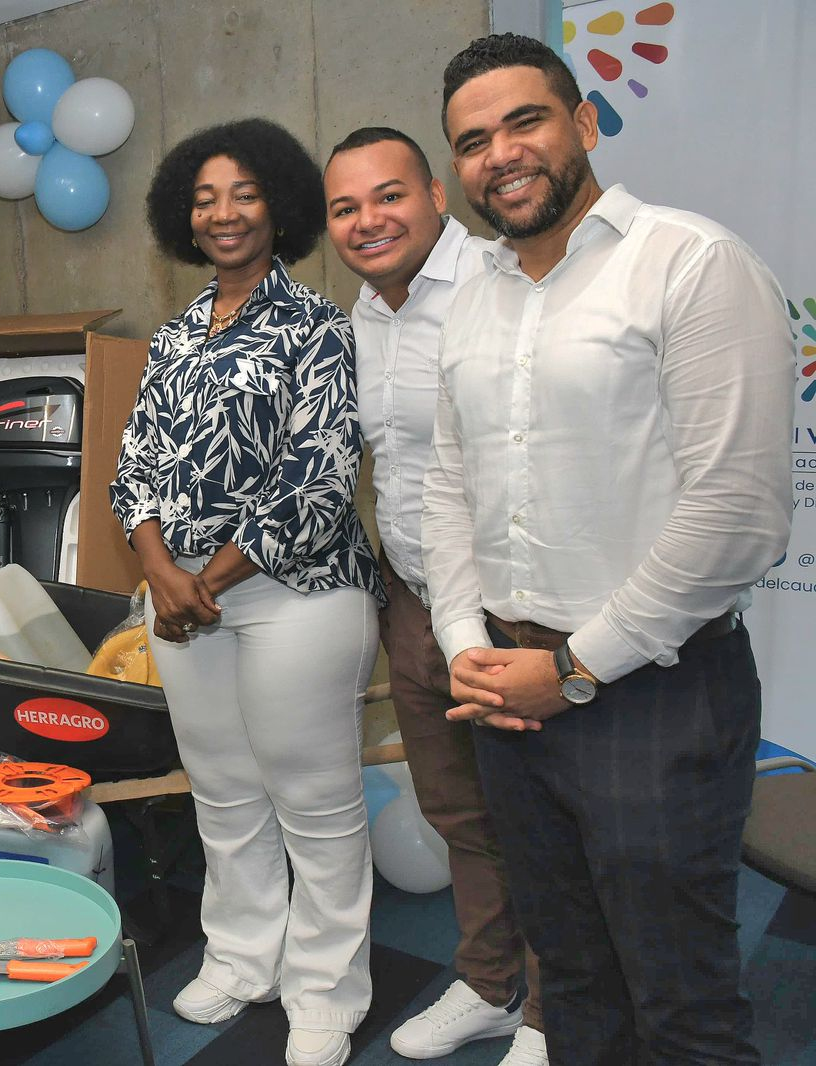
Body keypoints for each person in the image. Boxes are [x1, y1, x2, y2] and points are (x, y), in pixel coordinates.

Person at [425, 33, 792, 1065]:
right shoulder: (472, 302)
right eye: (472, 140)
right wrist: (463, 639)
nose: (501, 152)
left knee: (680, 1004)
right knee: (573, 984)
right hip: (505, 694)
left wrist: (575, 671)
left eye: (523, 121)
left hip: (653, 695)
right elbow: (444, 487)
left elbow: (737, 512)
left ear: (582, 124)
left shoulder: (690, 263)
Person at [112, 118, 382, 1066]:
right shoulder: (177, 332)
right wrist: (158, 569)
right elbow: (134, 459)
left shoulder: (317, 327)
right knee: (223, 793)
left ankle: (326, 988)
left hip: (297, 595)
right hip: (183, 596)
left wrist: (204, 581)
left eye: (245, 194)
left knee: (314, 799)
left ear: (281, 206)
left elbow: (316, 480)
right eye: (204, 198)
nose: (223, 213)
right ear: (183, 214)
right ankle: (241, 956)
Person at [323, 127, 546, 1065]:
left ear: (437, 196)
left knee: (537, 818)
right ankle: (492, 985)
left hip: (509, 605)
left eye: (389, 195)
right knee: (458, 811)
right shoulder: (367, 314)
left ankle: (551, 1012)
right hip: (414, 596)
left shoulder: (502, 286)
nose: (369, 221)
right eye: (345, 208)